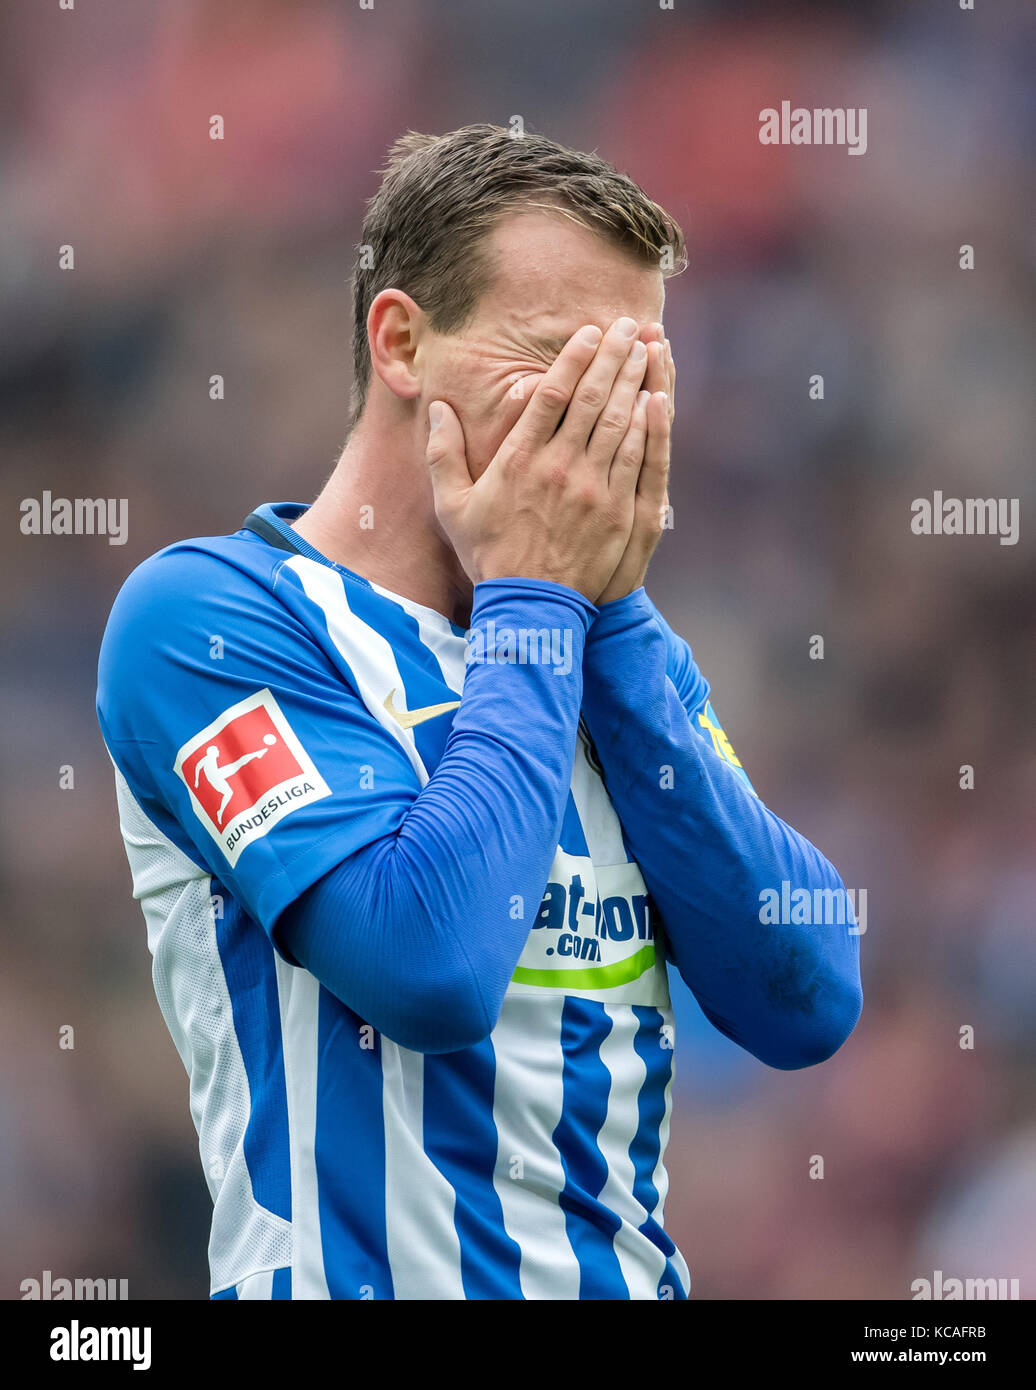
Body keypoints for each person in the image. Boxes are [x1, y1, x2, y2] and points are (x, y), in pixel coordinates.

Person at [96, 124, 862, 1301]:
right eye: (556, 358)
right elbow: (427, 969)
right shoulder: (209, 619)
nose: (601, 414)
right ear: (401, 341)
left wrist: (599, 622)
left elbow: (805, 994)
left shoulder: (602, 648)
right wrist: (542, 602)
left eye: (638, 374)